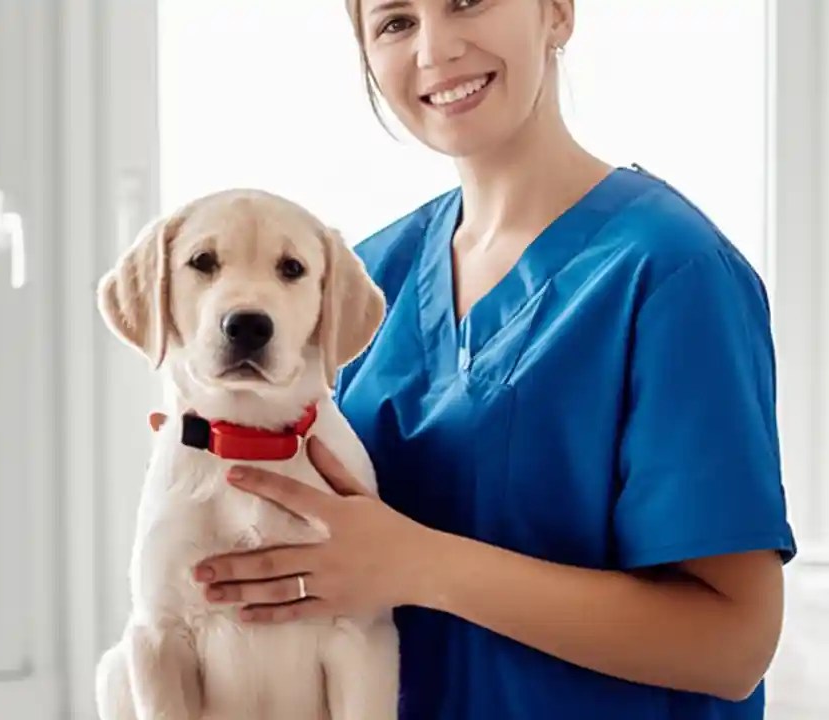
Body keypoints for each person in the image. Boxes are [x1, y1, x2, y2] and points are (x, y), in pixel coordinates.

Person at [188, 0, 798, 717]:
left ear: (558, 12)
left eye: (466, 1)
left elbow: (733, 645)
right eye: (395, 22)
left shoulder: (671, 273)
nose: (434, 48)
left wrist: (419, 565)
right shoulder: (363, 281)